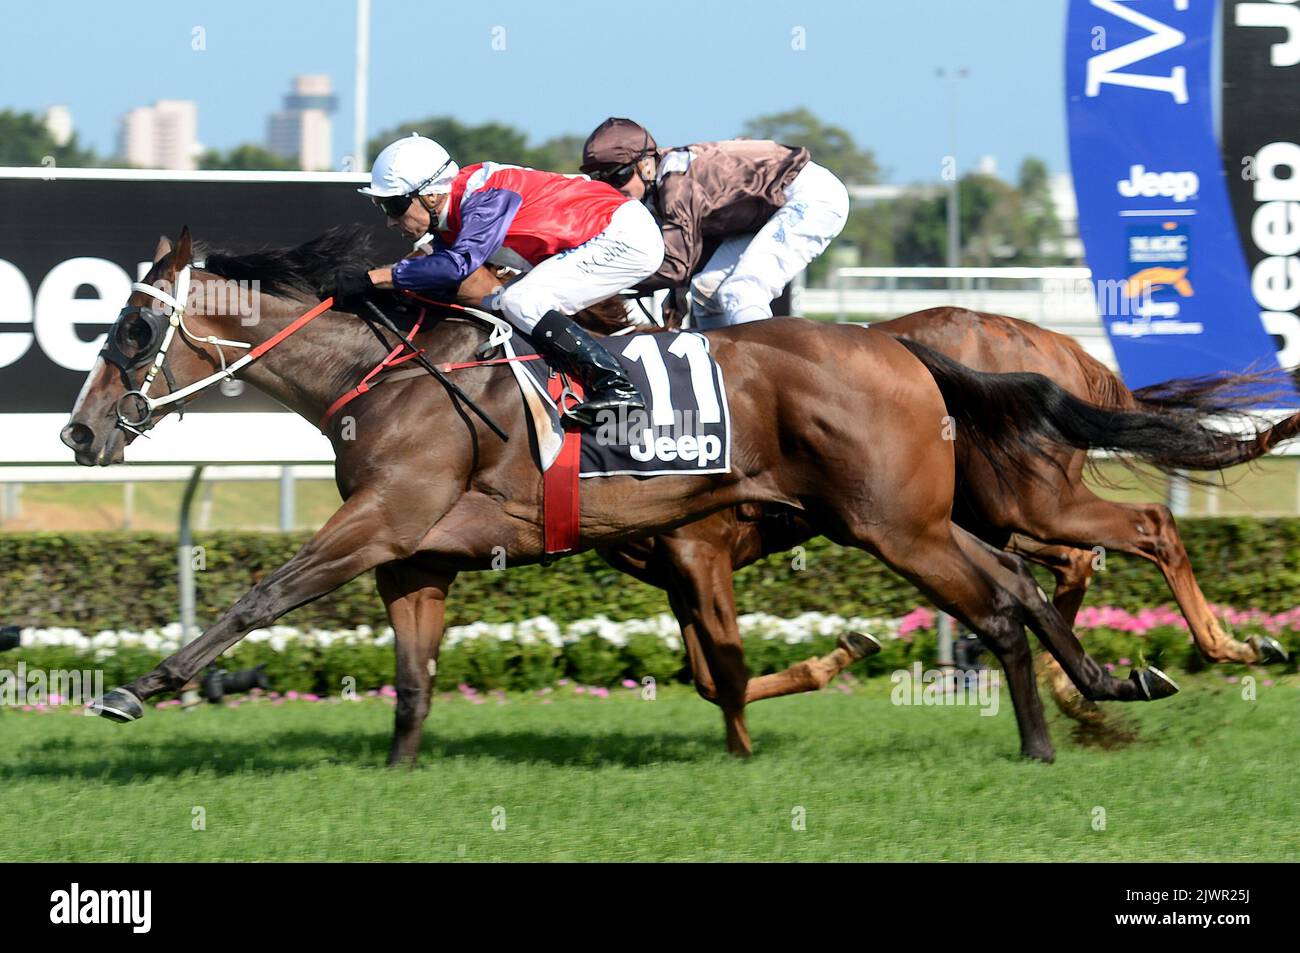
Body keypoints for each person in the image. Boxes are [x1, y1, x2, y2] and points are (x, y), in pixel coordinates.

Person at [322, 133, 665, 427]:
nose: (390, 222)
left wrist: (376, 278)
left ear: (429, 195)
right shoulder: (452, 211)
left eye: (394, 206)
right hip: (604, 234)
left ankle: (616, 385)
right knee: (501, 303)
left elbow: (456, 267)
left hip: (625, 236)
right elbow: (439, 273)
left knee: (521, 302)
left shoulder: (485, 196)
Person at [580, 118, 850, 329]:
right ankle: (721, 375)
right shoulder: (659, 188)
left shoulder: (675, 184)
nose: (614, 189)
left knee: (743, 290)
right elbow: (688, 261)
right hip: (769, 207)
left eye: (619, 177)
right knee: (706, 291)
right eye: (603, 181)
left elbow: (676, 267)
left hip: (812, 196)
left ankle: (771, 377)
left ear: (646, 166)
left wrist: (604, 279)